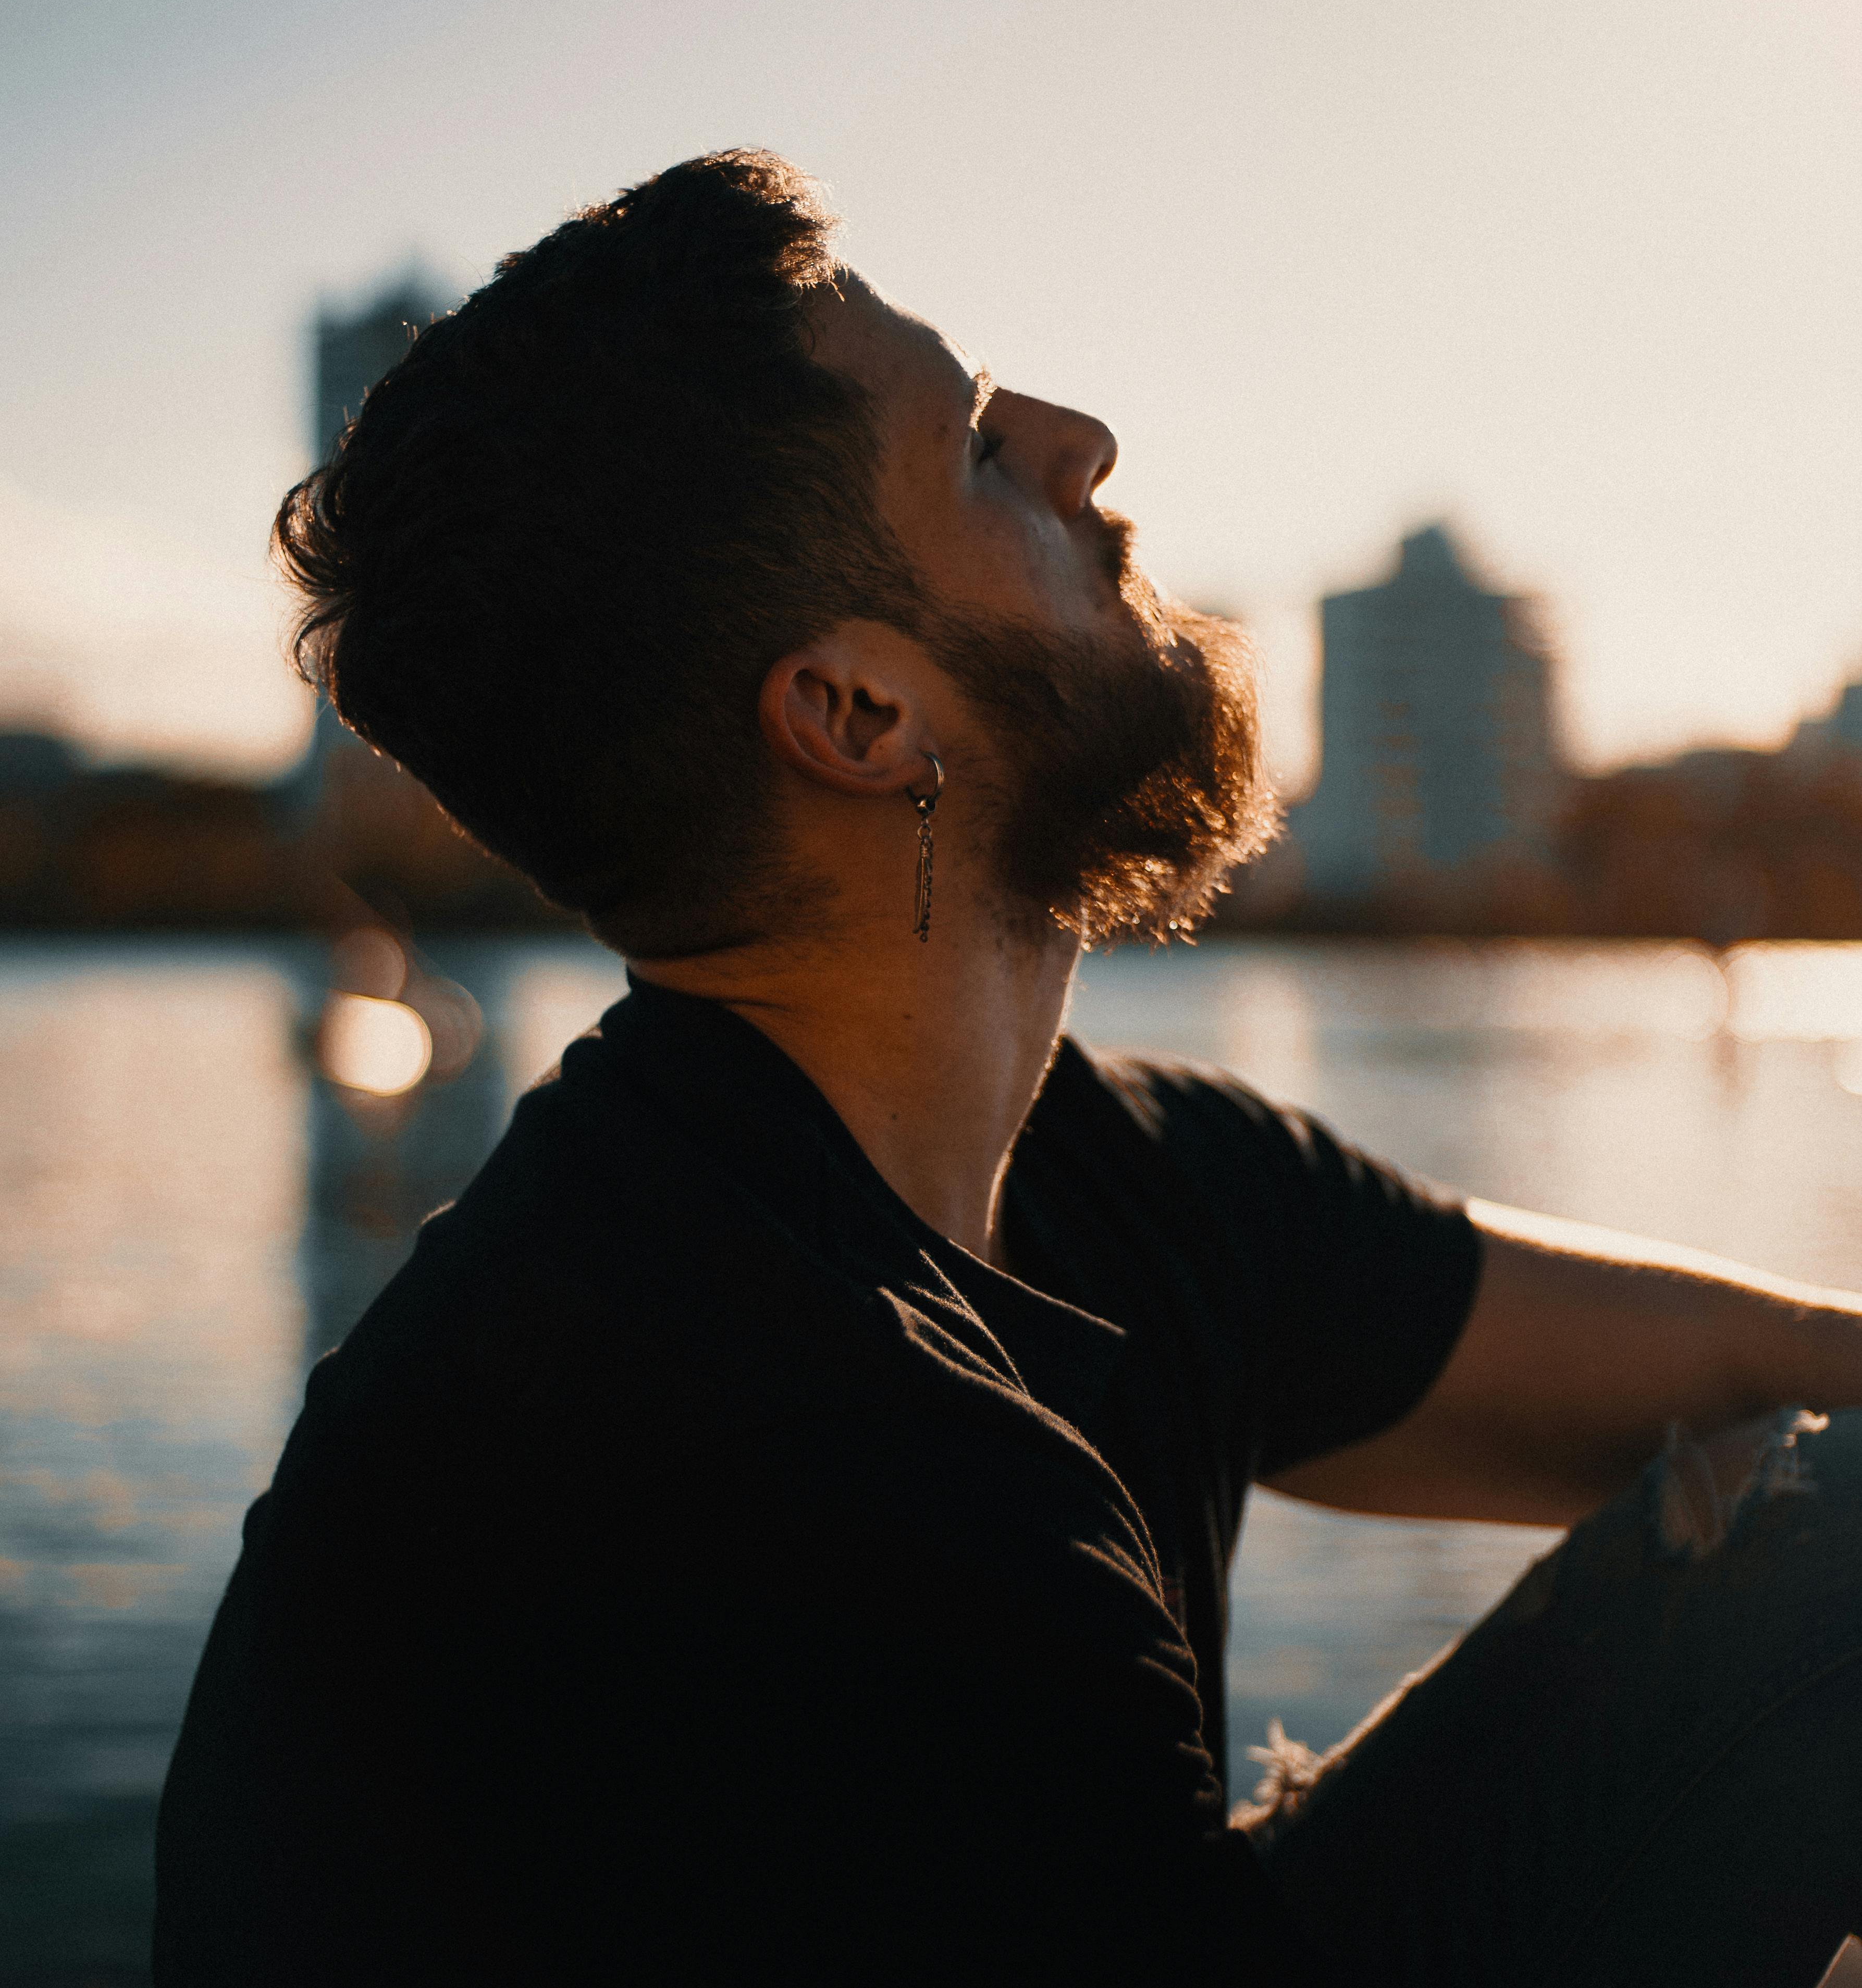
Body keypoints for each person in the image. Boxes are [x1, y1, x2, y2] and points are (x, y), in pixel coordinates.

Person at [154, 151, 1862, 1985]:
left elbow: (1764, 1378)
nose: (1079, 442)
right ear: (859, 714)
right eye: (980, 447)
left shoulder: (1103, 1180)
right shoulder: (826, 1488)